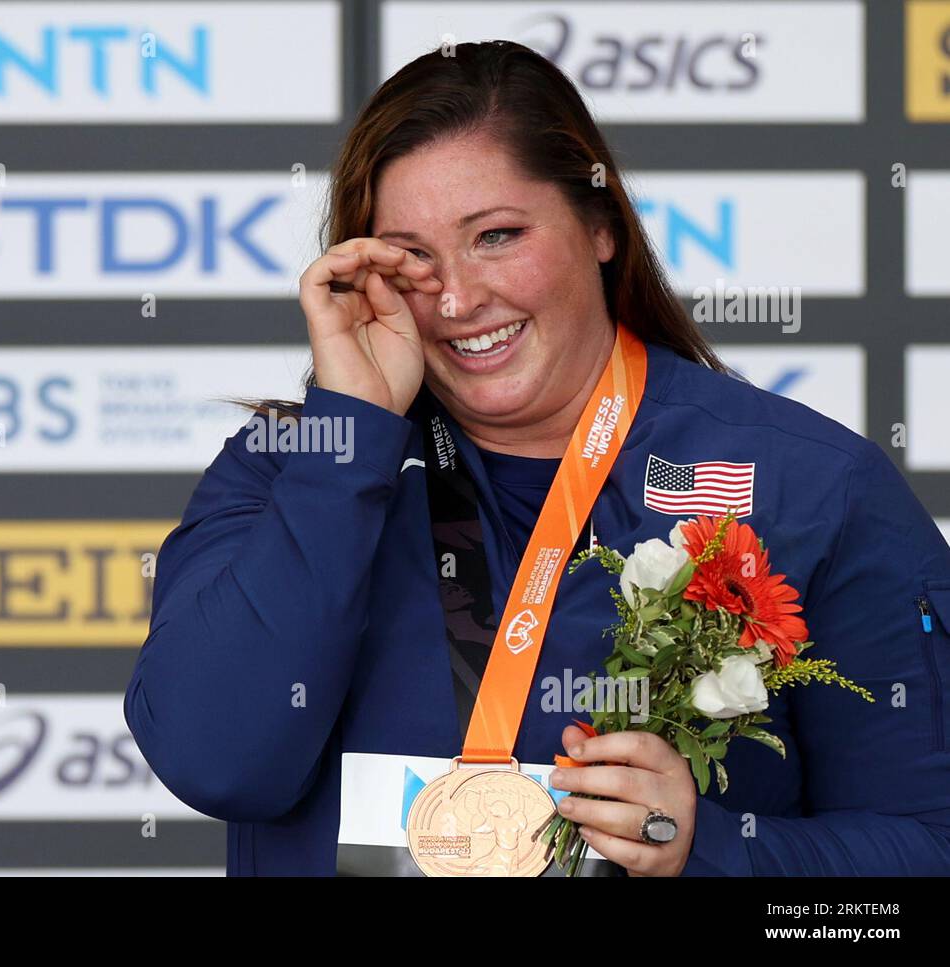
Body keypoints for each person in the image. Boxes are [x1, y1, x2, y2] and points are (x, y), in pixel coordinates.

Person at [124, 40, 950, 875]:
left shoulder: (810, 485)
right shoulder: (287, 469)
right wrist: (352, 438)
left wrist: (707, 849)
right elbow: (215, 760)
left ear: (600, 224)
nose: (456, 297)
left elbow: (927, 849)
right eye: (412, 258)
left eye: (497, 235)